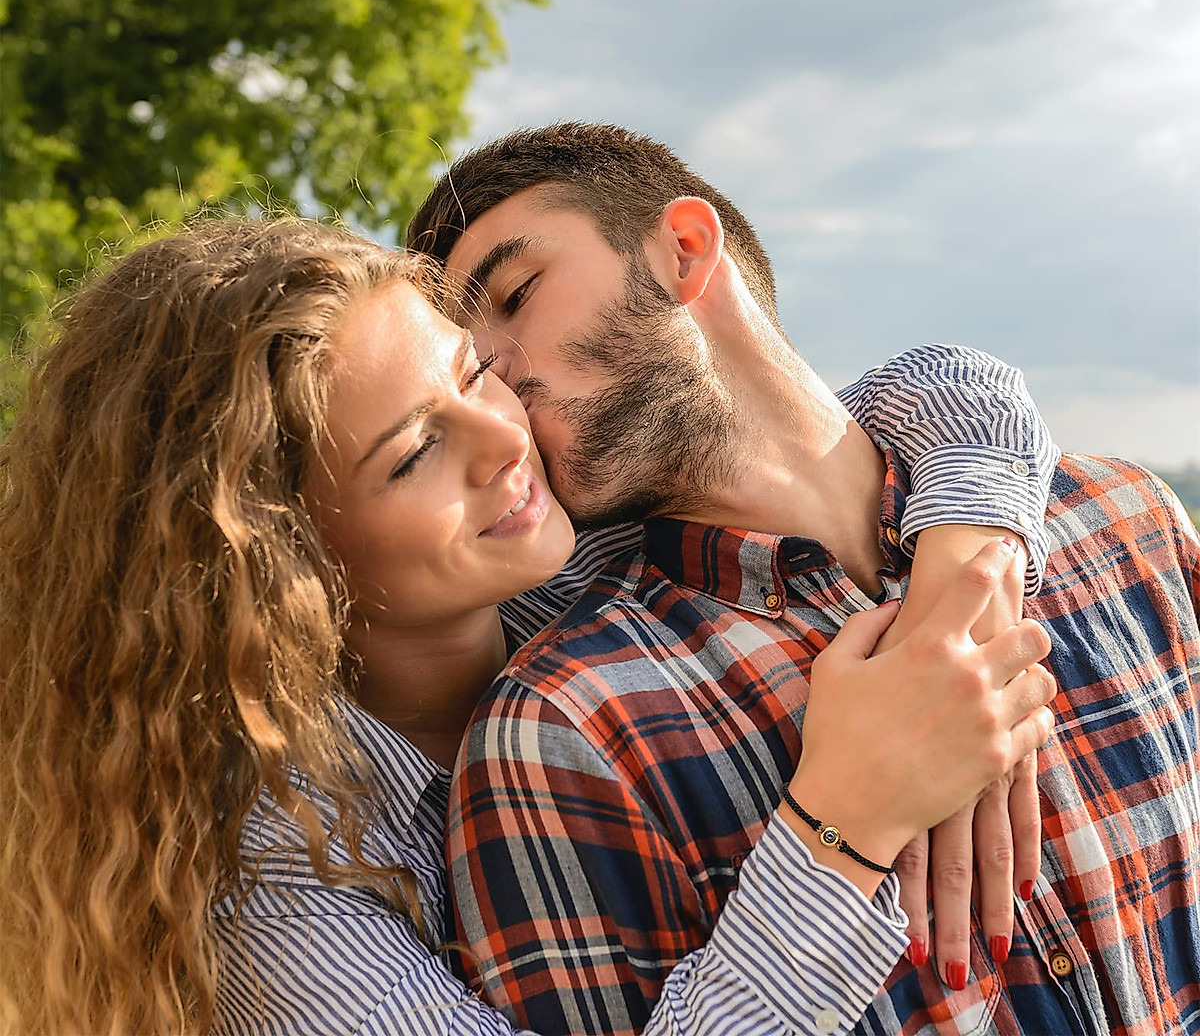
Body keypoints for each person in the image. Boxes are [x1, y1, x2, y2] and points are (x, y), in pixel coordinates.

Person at [0, 217, 1059, 1036]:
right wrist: (843, 826)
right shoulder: (272, 891)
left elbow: (936, 392)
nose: (505, 443)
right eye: (414, 455)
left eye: (472, 374)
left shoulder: (566, 559)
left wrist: (962, 592)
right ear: (274, 563)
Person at [409, 122, 1200, 1036]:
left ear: (684, 251)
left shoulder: (1127, 521)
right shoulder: (561, 733)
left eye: (515, 293)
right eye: (470, 369)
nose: (498, 377)